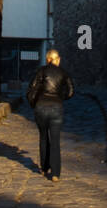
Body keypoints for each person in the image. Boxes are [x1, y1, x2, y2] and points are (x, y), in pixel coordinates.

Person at [25, 49, 74, 181]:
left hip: (41, 107)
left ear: (47, 60)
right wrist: (59, 97)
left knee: (43, 137)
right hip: (56, 108)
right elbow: (70, 92)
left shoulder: (41, 71)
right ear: (58, 59)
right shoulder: (63, 73)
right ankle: (55, 173)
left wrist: (34, 104)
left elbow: (31, 89)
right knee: (55, 140)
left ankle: (45, 167)